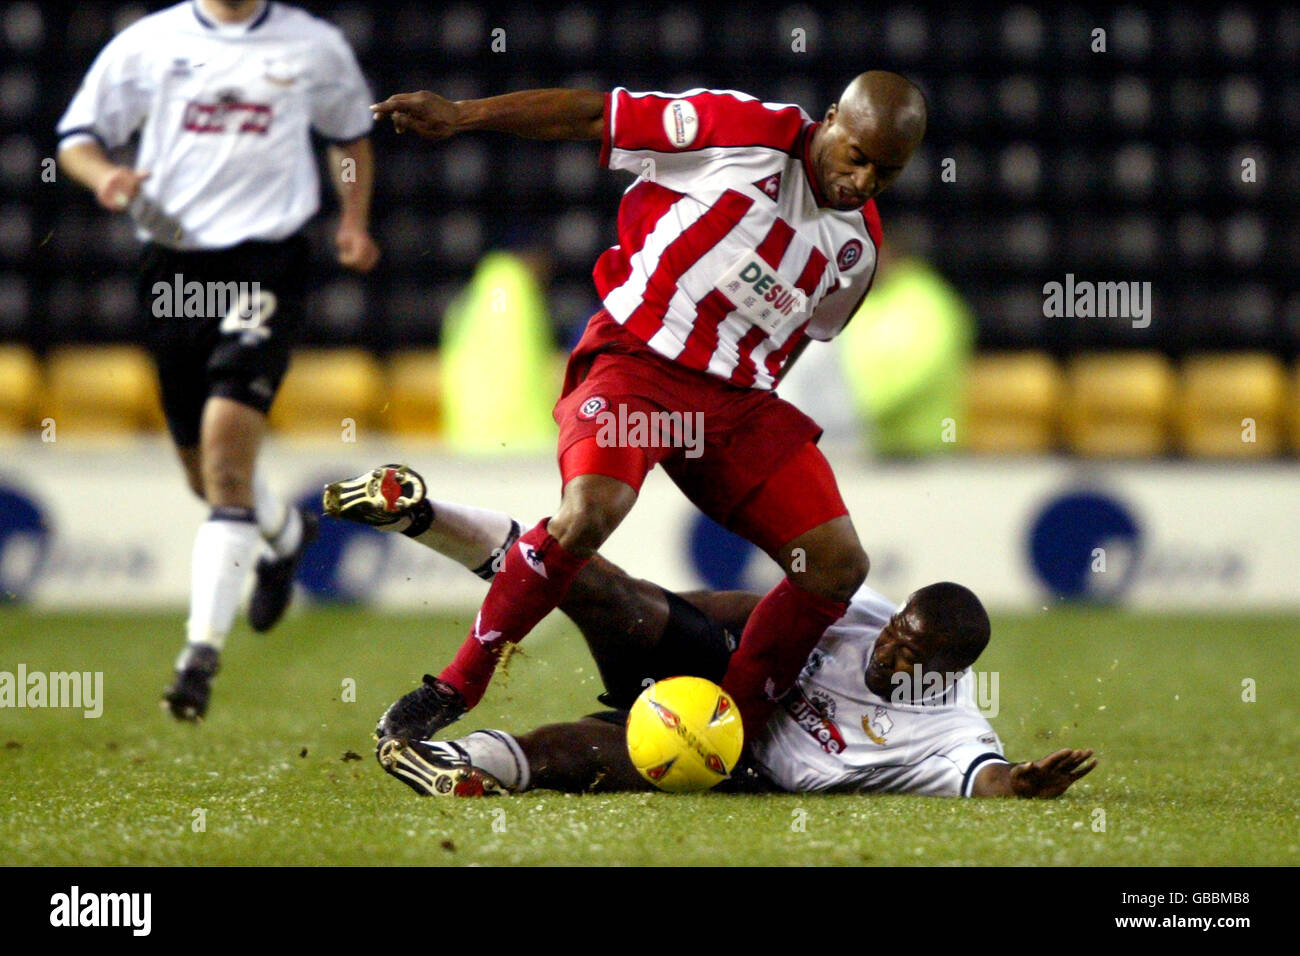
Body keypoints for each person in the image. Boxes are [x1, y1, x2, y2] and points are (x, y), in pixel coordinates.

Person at [365, 72, 927, 743]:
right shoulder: (740, 130)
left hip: (735, 405)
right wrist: (462, 115)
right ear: (830, 119)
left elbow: (804, 336)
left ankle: (738, 735)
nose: (862, 181)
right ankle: (457, 684)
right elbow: (590, 115)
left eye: (885, 173)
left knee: (838, 566)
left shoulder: (858, 248)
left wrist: (754, 407)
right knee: (586, 516)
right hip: (639, 364)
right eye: (856, 156)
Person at [323, 466, 1097, 799]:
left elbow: (987, 778)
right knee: (597, 585)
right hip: (718, 671)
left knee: (582, 755)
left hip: (740, 760)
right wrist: (654, 617)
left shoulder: (953, 733)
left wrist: (1022, 784)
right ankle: (414, 514)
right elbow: (749, 610)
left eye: (910, 653)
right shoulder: (867, 614)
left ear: (949, 671)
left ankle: (448, 762)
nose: (889, 646)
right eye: (897, 629)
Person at [56, 0, 380, 720]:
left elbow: (350, 136)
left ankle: (198, 655)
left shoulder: (312, 45)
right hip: (172, 270)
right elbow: (77, 137)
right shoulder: (148, 42)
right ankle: (286, 533)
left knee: (228, 457)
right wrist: (104, 177)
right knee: (202, 474)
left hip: (268, 263)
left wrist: (353, 222)